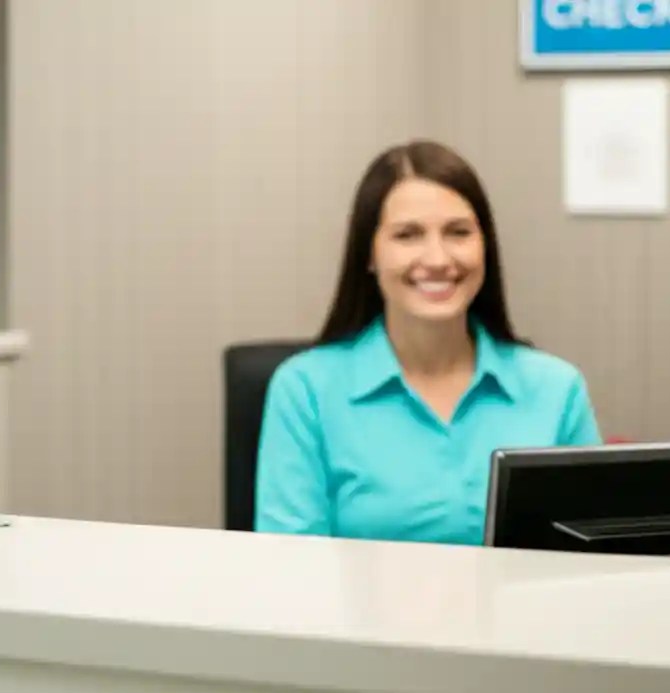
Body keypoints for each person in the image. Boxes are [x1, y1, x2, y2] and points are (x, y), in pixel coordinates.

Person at [254, 140, 601, 545]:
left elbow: (591, 560)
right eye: (408, 235)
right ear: (369, 254)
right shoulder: (305, 390)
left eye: (458, 232)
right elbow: (292, 568)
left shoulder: (557, 390)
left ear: (485, 246)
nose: (437, 259)